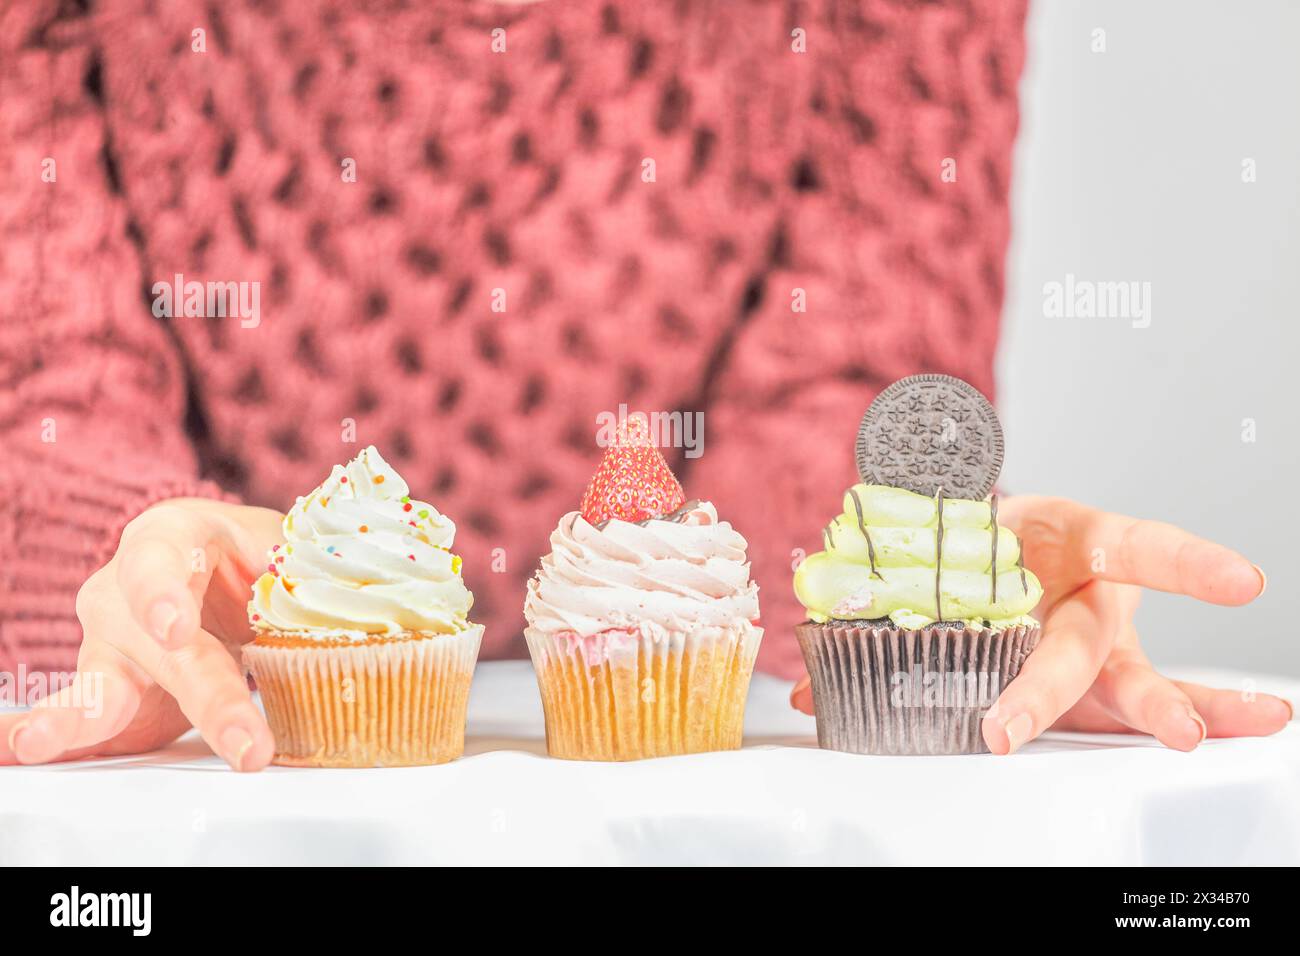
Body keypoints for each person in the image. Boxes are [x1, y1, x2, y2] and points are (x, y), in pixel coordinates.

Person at [1, 0, 1287, 772]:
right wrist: (130, 573)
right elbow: (47, 368)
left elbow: (851, 345)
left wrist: (918, 593)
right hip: (230, 759)